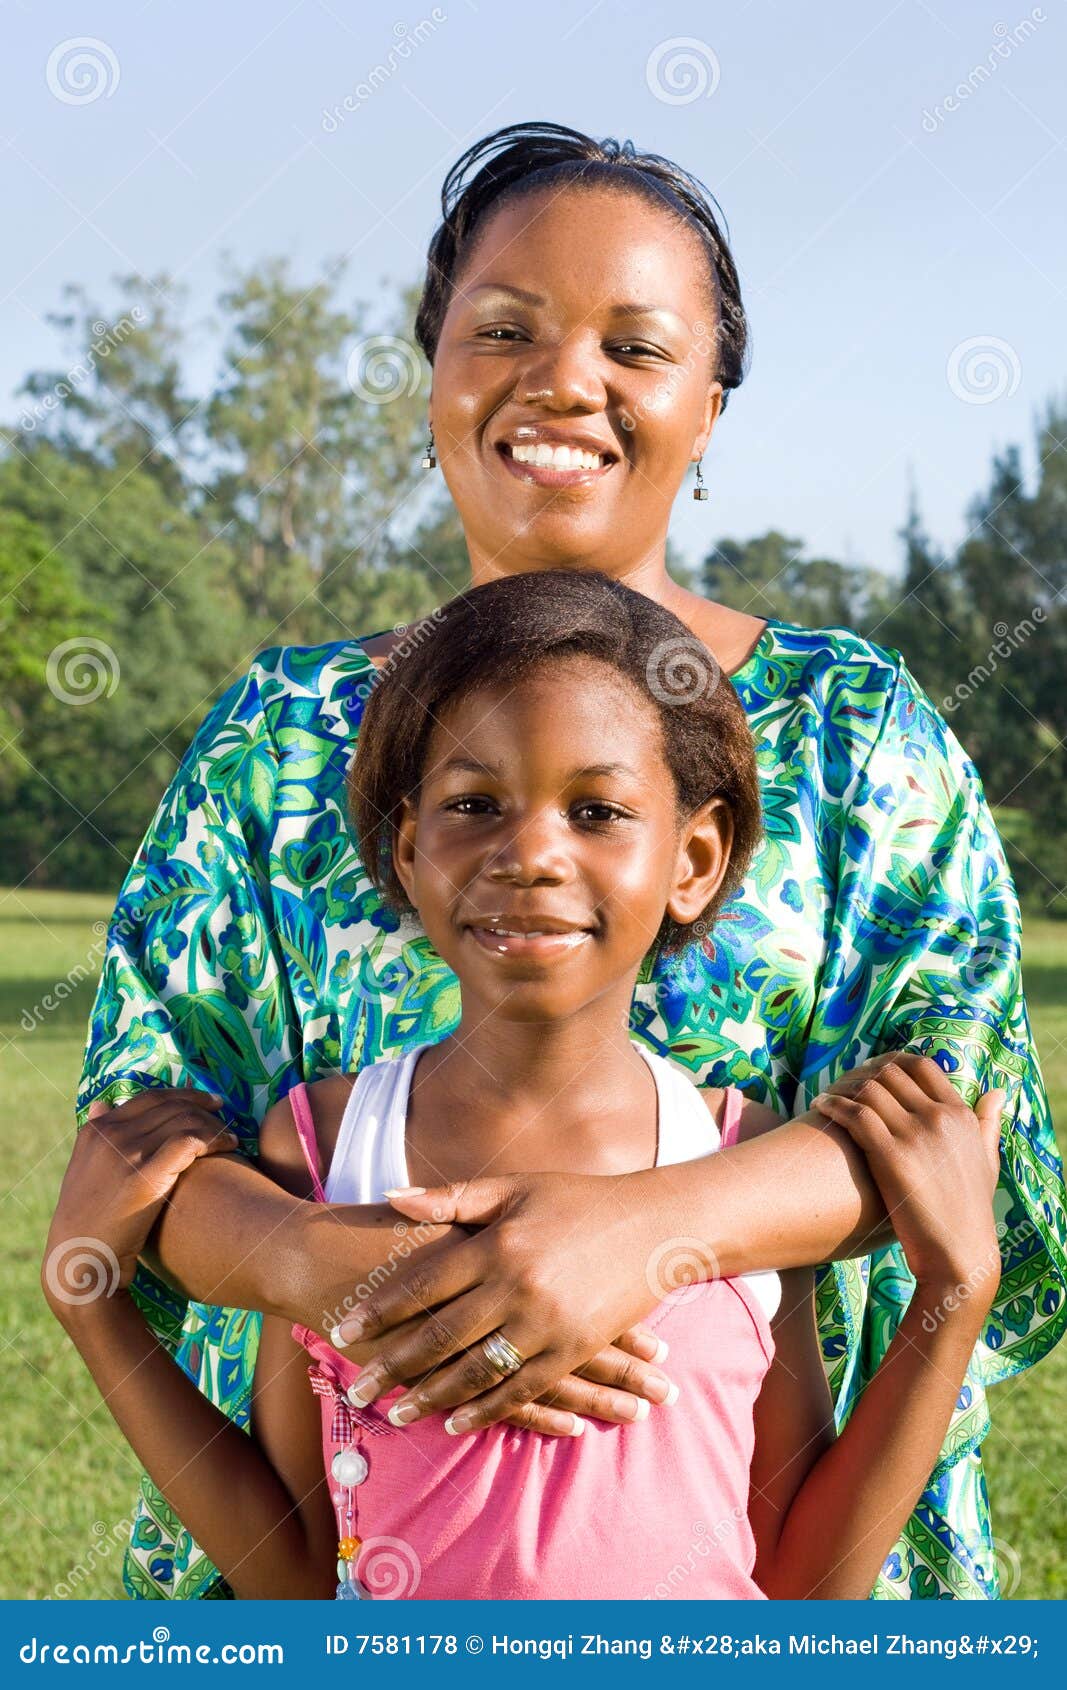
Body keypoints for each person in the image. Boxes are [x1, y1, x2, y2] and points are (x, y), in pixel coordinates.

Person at [75, 122, 1063, 1602]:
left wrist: (646, 1234)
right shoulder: (272, 742)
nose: (561, 380)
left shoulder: (853, 734)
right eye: (504, 330)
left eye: (633, 344)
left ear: (707, 406)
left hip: (765, 1549)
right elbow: (145, 1148)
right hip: (336, 1548)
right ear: (432, 379)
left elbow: (958, 1136)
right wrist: (309, 1263)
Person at [50, 574, 1006, 1601]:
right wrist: (95, 1311)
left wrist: (950, 1304)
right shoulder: (320, 1152)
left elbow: (803, 1592)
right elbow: (291, 1574)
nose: (529, 854)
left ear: (693, 858)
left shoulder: (738, 1155)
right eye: (473, 804)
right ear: (408, 848)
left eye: (594, 810)